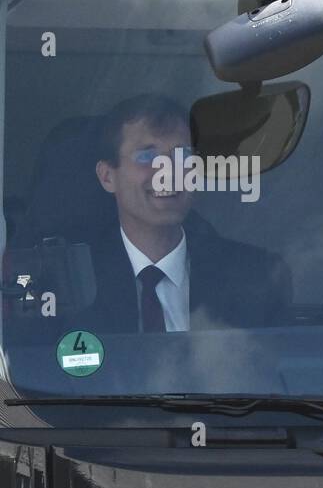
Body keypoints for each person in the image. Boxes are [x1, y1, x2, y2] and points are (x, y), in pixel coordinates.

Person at [72, 93, 291, 334]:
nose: (168, 172)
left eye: (183, 155)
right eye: (147, 156)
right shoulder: (71, 282)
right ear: (107, 176)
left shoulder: (258, 278)